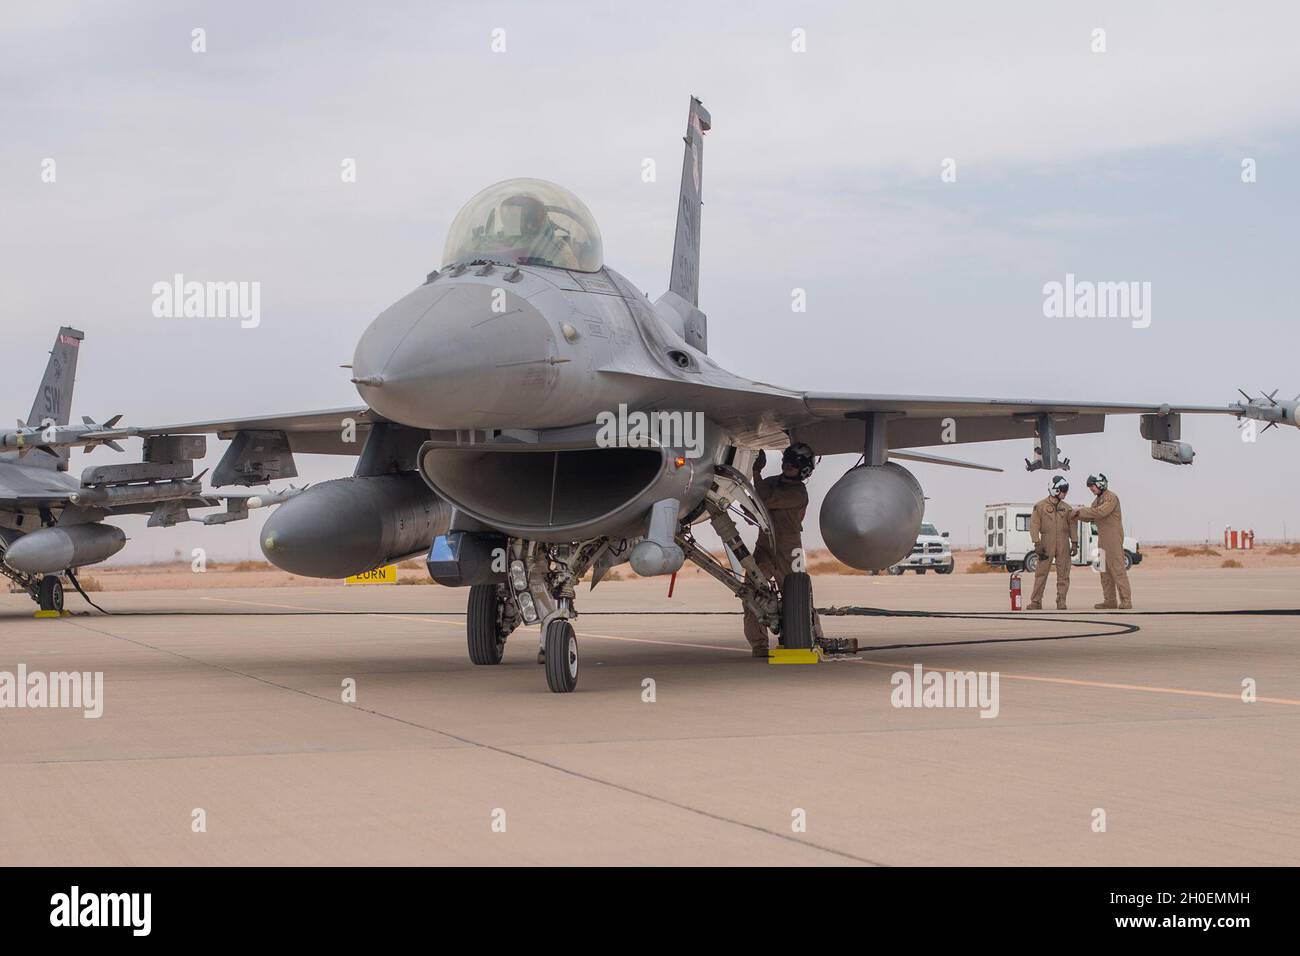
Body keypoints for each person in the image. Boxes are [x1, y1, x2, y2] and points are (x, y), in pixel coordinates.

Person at [743, 443, 815, 657]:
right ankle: (759, 645)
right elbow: (756, 505)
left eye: (795, 462)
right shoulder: (771, 483)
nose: (788, 465)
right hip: (764, 545)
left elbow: (764, 499)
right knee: (751, 593)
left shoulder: (798, 493)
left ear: (804, 468)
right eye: (787, 460)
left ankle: (813, 635)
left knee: (799, 596)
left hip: (788, 548)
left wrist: (756, 472)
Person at [1072, 473, 1132, 609]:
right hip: (1102, 540)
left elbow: (1099, 513)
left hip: (1113, 539)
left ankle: (1126, 600)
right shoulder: (1096, 501)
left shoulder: (1111, 498)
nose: (1091, 490)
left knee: (1117, 570)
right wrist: (1075, 515)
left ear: (1100, 484)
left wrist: (1079, 511)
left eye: (1092, 487)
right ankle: (1110, 600)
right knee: (1104, 572)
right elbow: (1090, 516)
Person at [1027, 475, 1078, 610]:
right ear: (1055, 489)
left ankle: (1061, 601)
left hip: (1063, 543)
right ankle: (1036, 602)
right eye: (1063, 490)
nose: (1065, 493)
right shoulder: (1040, 506)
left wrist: (1074, 542)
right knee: (1041, 574)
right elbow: (1034, 525)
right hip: (1046, 543)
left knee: (1064, 574)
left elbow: (1073, 525)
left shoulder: (1067, 509)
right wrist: (1037, 543)